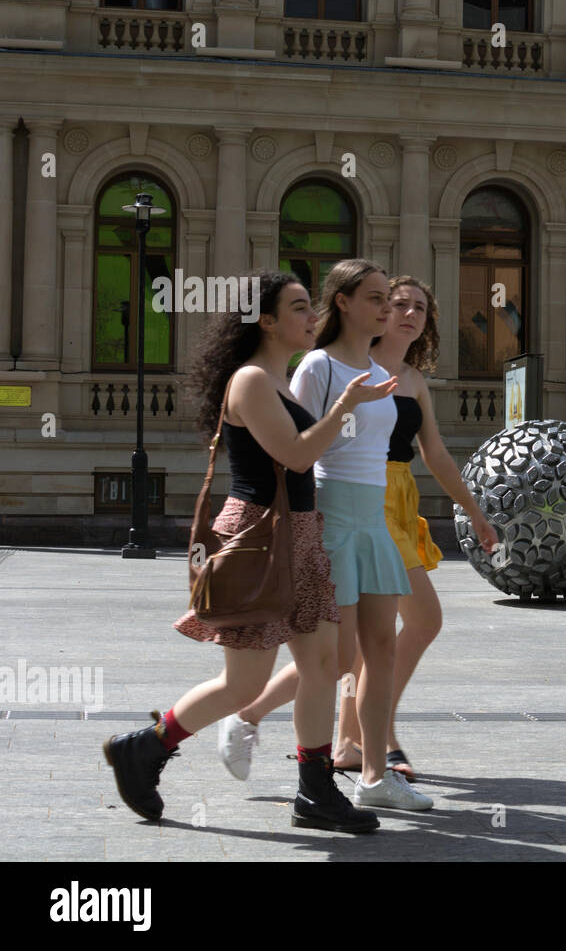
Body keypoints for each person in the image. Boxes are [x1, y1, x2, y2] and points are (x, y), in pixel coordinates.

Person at [102, 270, 395, 833]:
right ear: (266, 320)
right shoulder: (251, 381)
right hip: (259, 535)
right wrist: (344, 407)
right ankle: (147, 747)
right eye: (300, 307)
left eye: (311, 307)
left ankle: (314, 792)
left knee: (325, 665)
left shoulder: (279, 380)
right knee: (246, 683)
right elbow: (296, 456)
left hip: (301, 530)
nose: (313, 317)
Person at [218, 259, 432, 812]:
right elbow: (297, 448)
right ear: (342, 301)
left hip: (373, 519)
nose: (390, 307)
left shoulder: (378, 369)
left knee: (379, 650)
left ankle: (374, 777)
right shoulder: (317, 366)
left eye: (393, 298)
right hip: (331, 513)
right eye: (378, 297)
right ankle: (248, 718)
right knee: (334, 659)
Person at [331, 275, 497, 777]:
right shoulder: (351, 366)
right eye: (397, 303)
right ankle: (369, 734)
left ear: (427, 322)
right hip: (365, 497)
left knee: (370, 639)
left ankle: (351, 740)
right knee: (422, 620)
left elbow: (437, 454)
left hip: (401, 499)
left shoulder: (415, 380)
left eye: (418, 307)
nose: (407, 313)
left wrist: (473, 510)